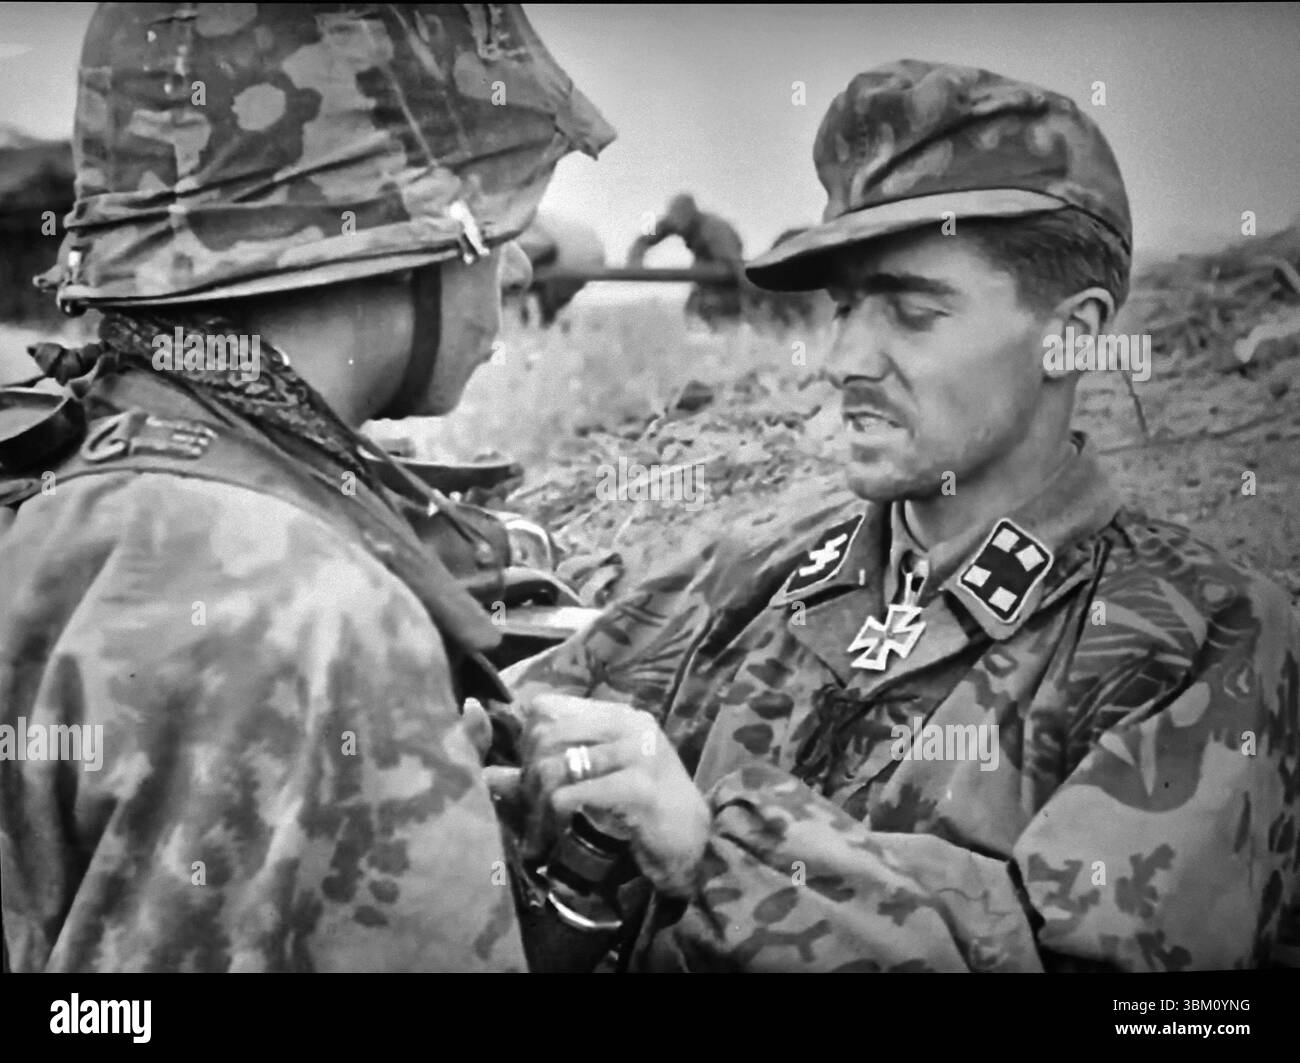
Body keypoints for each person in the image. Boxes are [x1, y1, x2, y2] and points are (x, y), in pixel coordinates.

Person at [489, 59, 1300, 971]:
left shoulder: (1211, 638)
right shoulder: (758, 567)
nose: (842, 360)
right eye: (843, 308)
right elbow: (530, 717)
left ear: (1072, 334)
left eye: (911, 314)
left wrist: (710, 855)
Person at [0, 2, 612, 972]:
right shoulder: (313, 609)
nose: (514, 266)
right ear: (402, 235)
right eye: (498, 224)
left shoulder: (65, 463)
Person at [626, 193, 745, 328]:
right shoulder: (673, 221)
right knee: (695, 310)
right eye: (675, 218)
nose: (677, 223)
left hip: (724, 268)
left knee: (717, 308)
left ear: (691, 213)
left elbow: (734, 263)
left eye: (681, 217)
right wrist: (635, 259)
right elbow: (644, 239)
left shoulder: (713, 228)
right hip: (707, 266)